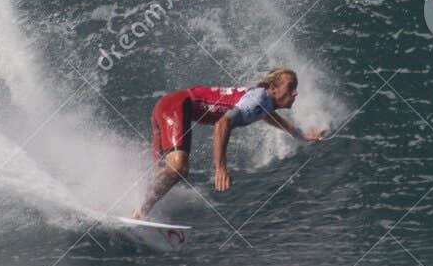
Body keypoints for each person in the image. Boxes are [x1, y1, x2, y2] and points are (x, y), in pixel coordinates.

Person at [132, 67, 326, 219]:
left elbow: (269, 115)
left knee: (165, 171)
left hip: (171, 106)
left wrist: (300, 135)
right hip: (177, 107)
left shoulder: (264, 101)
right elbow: (222, 123)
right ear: (273, 89)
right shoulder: (255, 100)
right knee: (178, 169)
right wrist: (220, 168)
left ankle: (128, 198)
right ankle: (139, 210)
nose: (295, 93)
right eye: (290, 87)